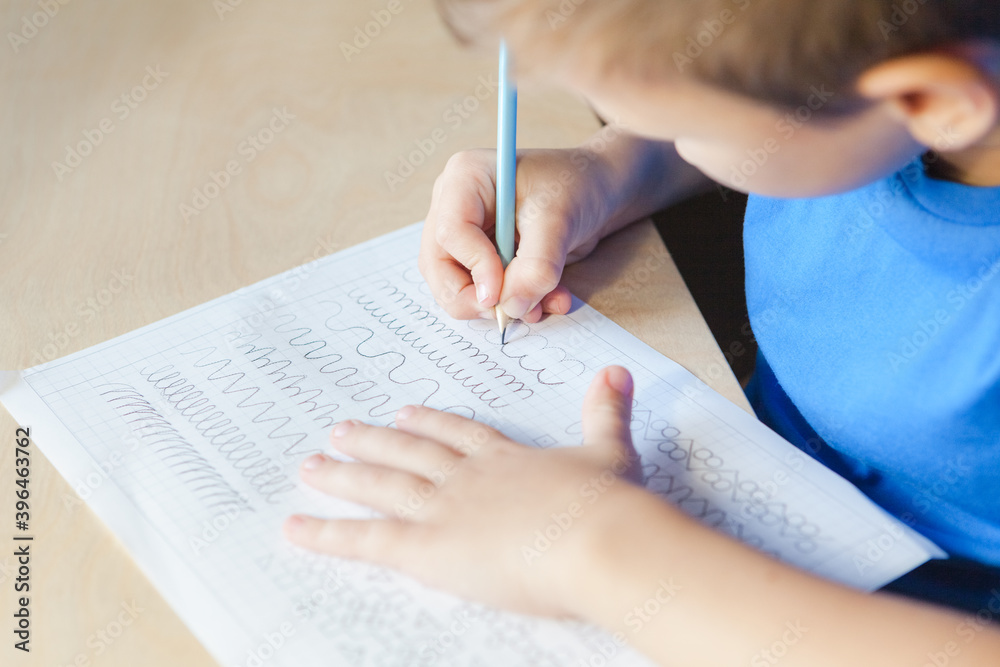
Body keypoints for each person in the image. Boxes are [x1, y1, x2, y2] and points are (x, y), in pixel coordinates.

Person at [283, 1, 1000, 664]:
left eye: (687, 125)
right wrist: (614, 168)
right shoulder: (900, 71)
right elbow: (789, 105)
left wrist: (587, 548)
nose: (668, 137)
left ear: (930, 100)